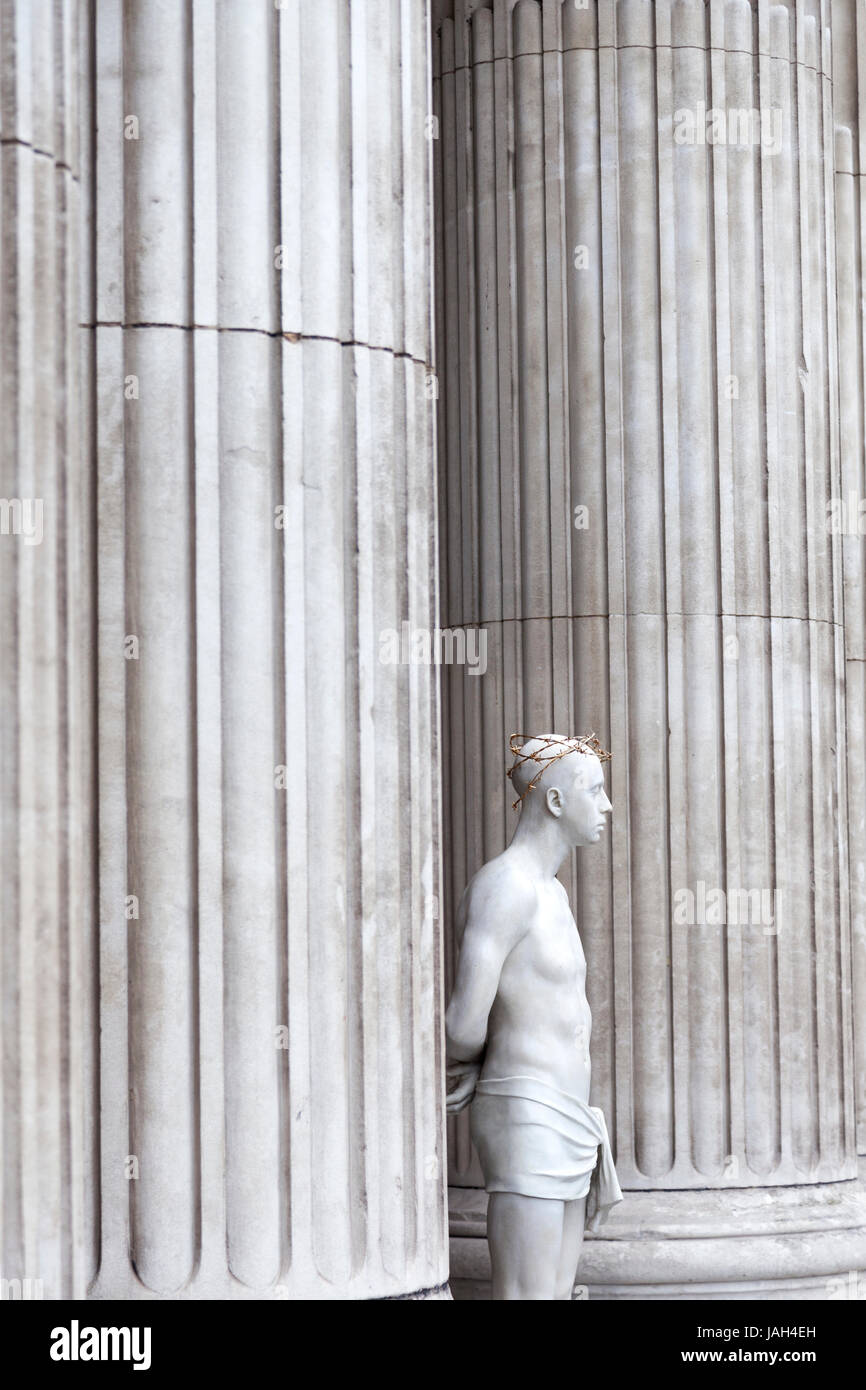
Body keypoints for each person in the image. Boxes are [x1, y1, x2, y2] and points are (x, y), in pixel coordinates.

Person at [445, 733, 622, 1300]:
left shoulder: (551, 892)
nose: (607, 804)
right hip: (529, 1114)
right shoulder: (507, 886)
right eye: (594, 790)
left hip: (565, 1115)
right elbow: (461, 1022)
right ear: (554, 802)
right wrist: (478, 1063)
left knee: (553, 1295)